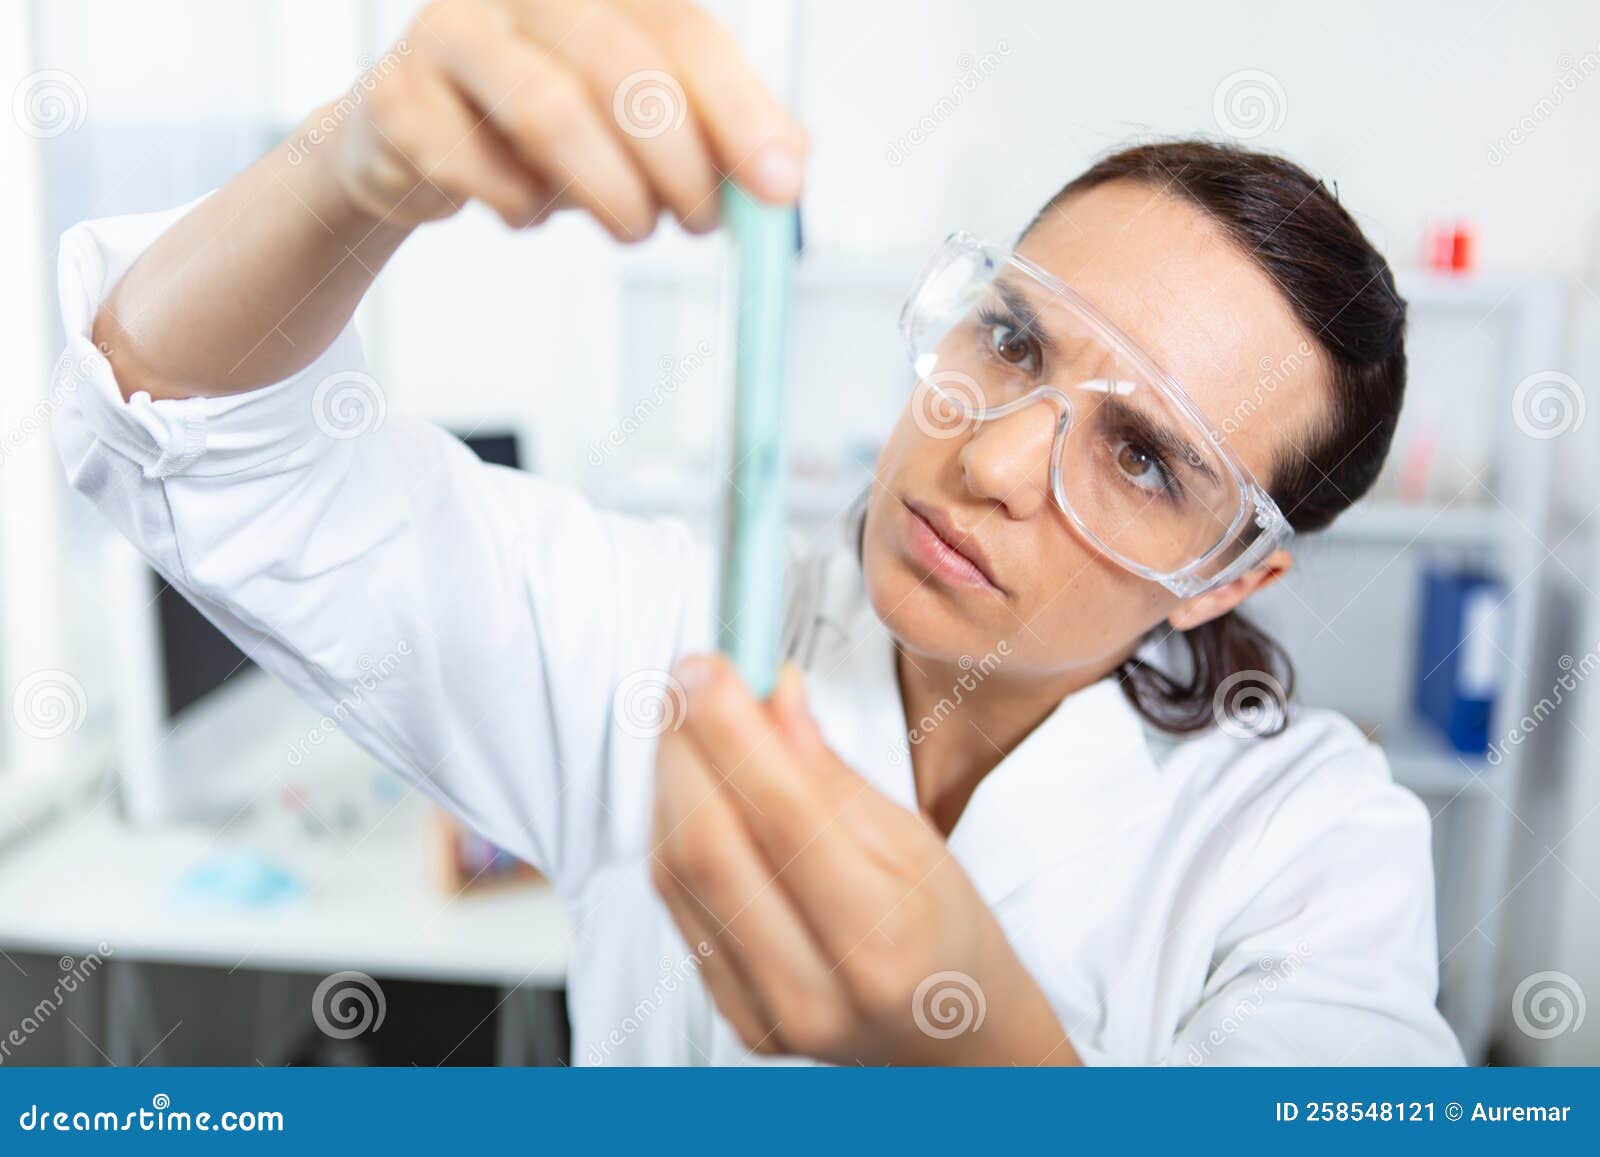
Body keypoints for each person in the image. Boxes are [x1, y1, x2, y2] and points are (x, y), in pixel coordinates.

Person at [53, 0, 1462, 1065]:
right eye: (1015, 337)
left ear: (1235, 575)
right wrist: (354, 160)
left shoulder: (1307, 845)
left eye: (1147, 457)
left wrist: (980, 1059)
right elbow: (195, 433)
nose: (994, 460)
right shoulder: (672, 639)